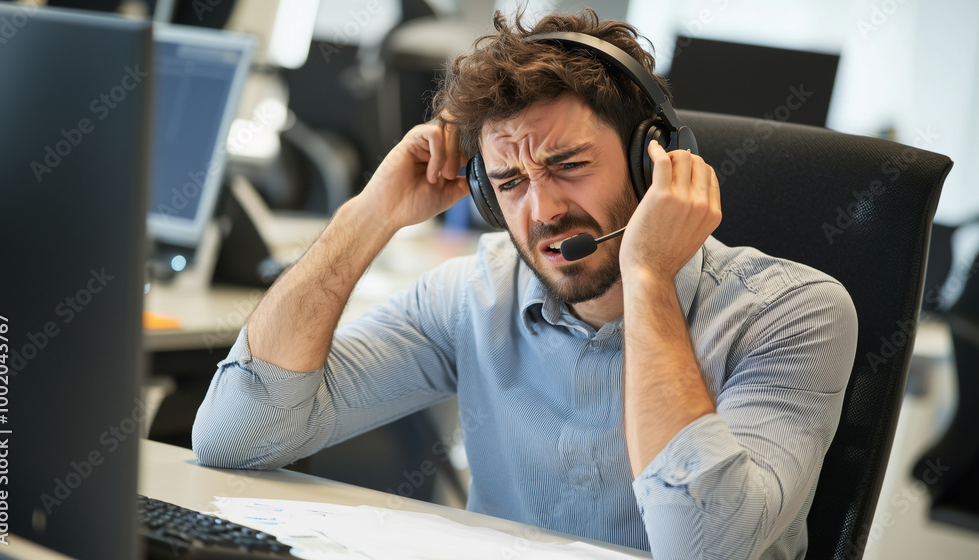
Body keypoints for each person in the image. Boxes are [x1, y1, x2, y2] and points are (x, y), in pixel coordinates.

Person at [193, 9, 858, 559]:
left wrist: (648, 278)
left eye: (567, 164)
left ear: (648, 159)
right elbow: (236, 436)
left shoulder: (794, 315)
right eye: (508, 183)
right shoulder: (471, 295)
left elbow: (703, 547)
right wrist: (369, 215)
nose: (540, 212)